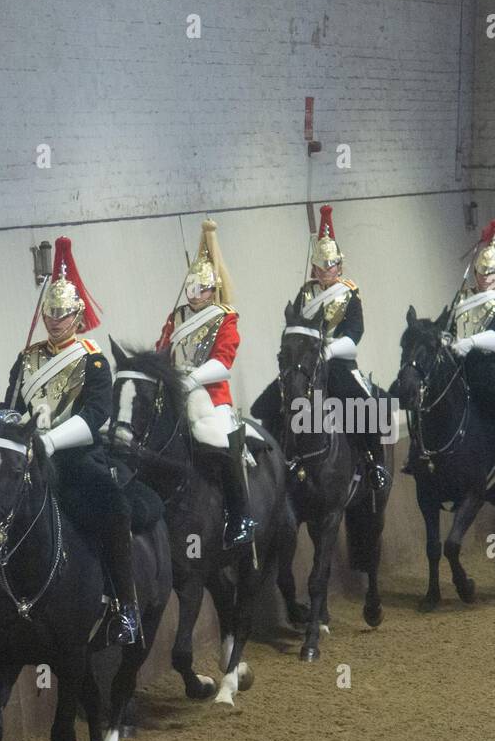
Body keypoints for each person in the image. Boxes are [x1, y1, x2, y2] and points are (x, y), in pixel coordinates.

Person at [0, 237, 141, 646]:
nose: (55, 321)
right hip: (26, 457)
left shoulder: (92, 359)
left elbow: (95, 417)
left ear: (77, 315)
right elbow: (9, 405)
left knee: (114, 509)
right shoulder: (26, 360)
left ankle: (124, 608)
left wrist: (51, 442)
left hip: (71, 457)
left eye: (62, 314)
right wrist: (4, 426)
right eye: (49, 314)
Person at [253, 205, 390, 490]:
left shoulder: (350, 293)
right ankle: (277, 460)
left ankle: (374, 461)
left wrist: (329, 350)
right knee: (266, 403)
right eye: (322, 266)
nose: (328, 271)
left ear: (340, 265)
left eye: (332, 266)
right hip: (306, 362)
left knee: (367, 407)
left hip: (337, 362)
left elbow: (355, 333)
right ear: (314, 267)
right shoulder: (306, 293)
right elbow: (297, 326)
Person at [155, 219, 256, 549]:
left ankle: (240, 516)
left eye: (203, 289)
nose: (197, 295)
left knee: (223, 444)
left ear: (214, 290)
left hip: (212, 398)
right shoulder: (177, 318)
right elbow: (162, 350)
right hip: (176, 397)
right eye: (192, 289)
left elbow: (224, 360)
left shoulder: (225, 316)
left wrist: (192, 378)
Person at [444, 218, 495, 485]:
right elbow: (449, 325)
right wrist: (447, 339)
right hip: (457, 363)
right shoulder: (462, 297)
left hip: (485, 365)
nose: (485, 279)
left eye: (489, 274)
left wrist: (469, 343)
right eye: (481, 274)